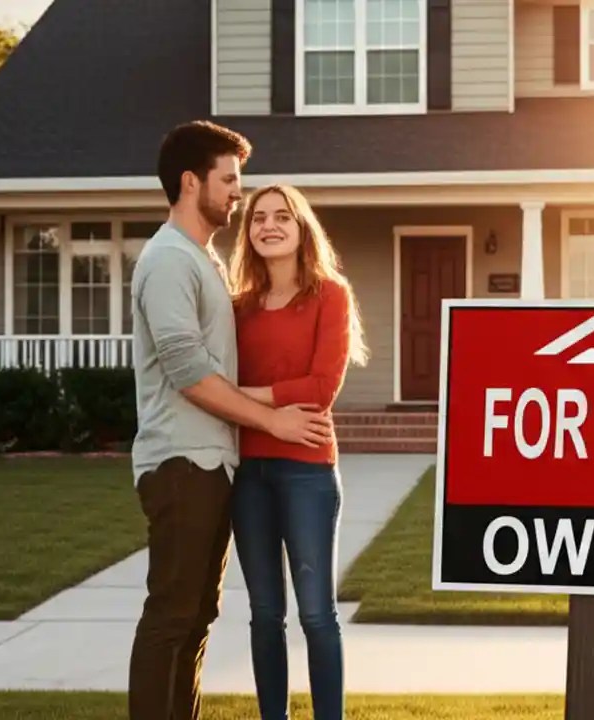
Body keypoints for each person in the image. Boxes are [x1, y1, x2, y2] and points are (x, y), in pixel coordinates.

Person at [128, 122, 334, 720]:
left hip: (212, 464)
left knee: (195, 616)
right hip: (180, 463)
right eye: (229, 180)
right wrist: (275, 422)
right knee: (171, 616)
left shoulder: (203, 259)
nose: (237, 194)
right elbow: (187, 369)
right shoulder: (169, 259)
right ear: (192, 183)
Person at [227, 184, 369, 720]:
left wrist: (244, 396)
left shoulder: (330, 295)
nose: (268, 225)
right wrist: (267, 414)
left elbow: (320, 388)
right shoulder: (236, 307)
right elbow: (215, 379)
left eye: (281, 216)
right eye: (258, 217)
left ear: (301, 226)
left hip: (307, 471)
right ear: (249, 234)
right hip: (247, 474)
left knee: (316, 615)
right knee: (265, 614)